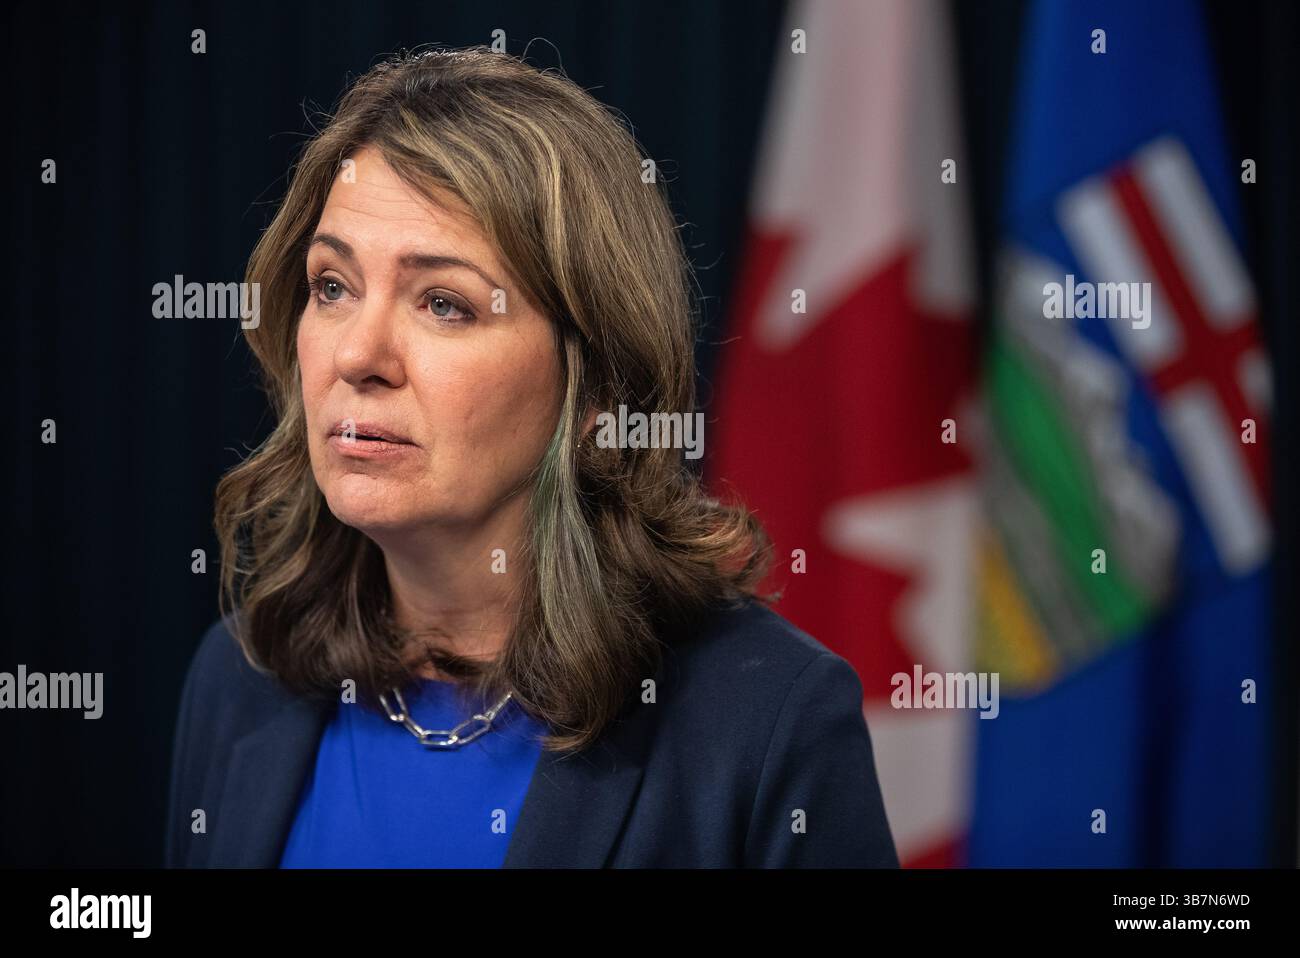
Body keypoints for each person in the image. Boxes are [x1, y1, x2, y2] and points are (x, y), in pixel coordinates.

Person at [164, 46, 898, 868]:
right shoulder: (242, 675)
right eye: (332, 286)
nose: (357, 355)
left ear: (594, 389)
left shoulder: (767, 720)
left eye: (445, 304)